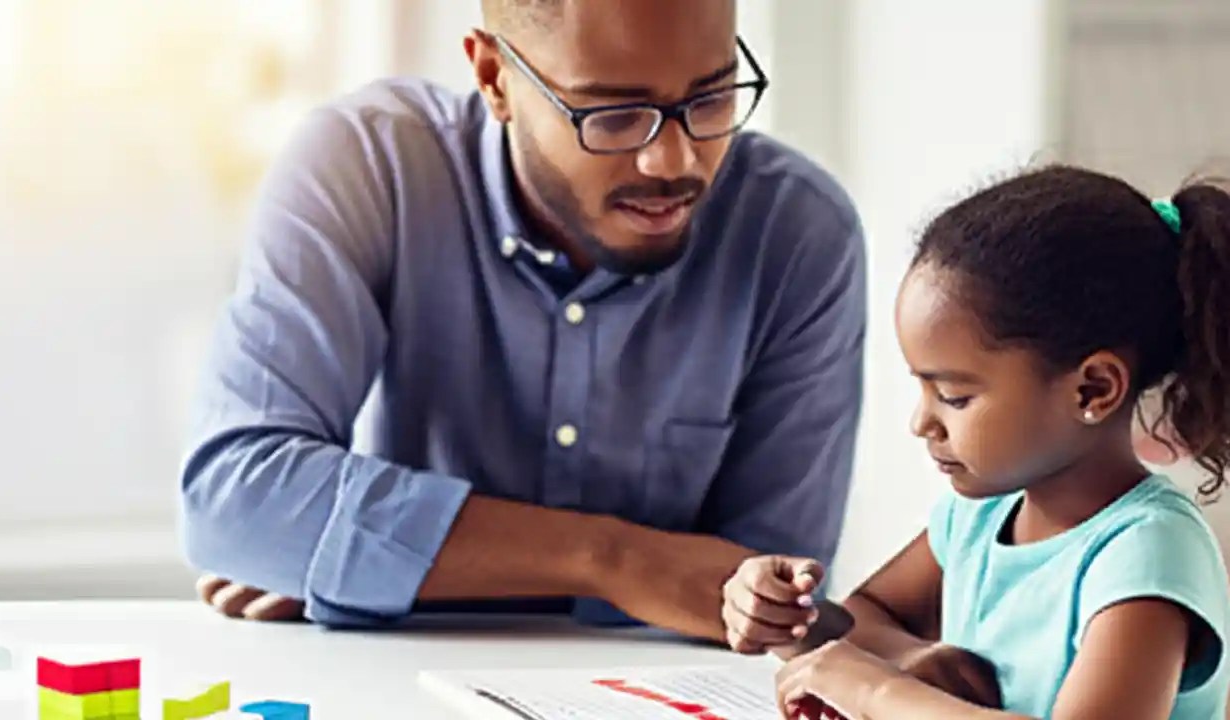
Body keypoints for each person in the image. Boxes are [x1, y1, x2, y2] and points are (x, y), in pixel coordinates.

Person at [179, 0, 865, 643]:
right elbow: (237, 498)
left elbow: (769, 598)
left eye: (710, 99)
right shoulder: (373, 165)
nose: (674, 161)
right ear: (494, 77)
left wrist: (363, 565)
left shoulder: (799, 233)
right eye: (615, 114)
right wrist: (620, 562)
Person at [725, 166, 1230, 719]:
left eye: (955, 397)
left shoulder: (1147, 554)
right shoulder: (981, 514)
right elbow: (866, 618)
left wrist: (879, 691)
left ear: (1094, 388)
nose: (922, 423)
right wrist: (789, 617)